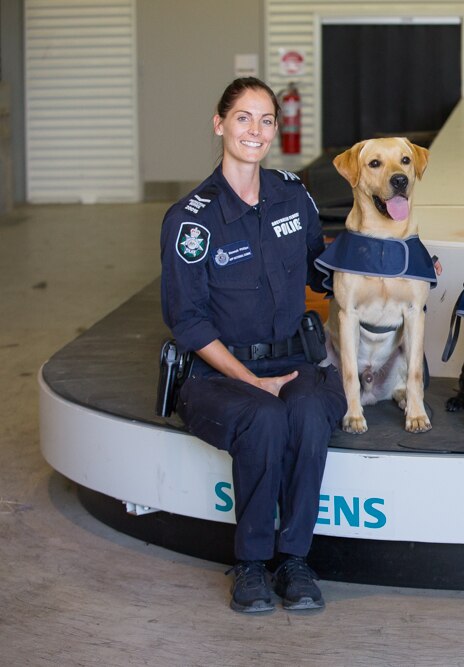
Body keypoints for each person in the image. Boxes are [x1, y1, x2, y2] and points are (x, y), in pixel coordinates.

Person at [160, 77, 347, 614]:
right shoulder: (191, 221)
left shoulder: (292, 193)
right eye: (244, 117)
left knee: (310, 411)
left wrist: (394, 266)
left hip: (295, 359)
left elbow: (322, 271)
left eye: (266, 120)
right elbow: (189, 323)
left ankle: (294, 559)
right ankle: (250, 564)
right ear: (220, 124)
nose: (256, 130)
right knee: (264, 417)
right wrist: (252, 382)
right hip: (218, 377)